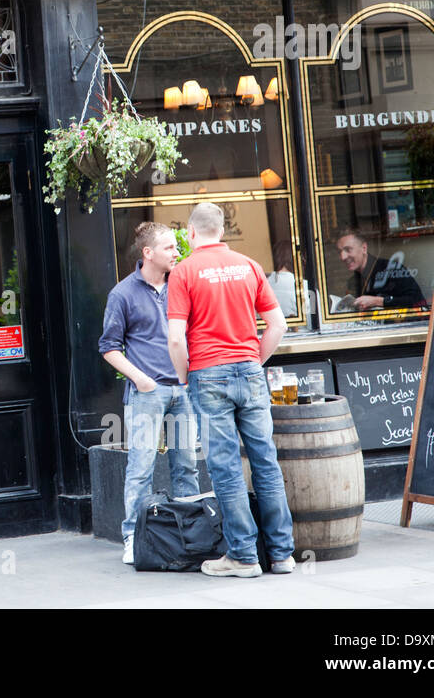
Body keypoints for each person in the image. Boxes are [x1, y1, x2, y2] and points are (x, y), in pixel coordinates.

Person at [167, 201, 295, 578]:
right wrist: (254, 360)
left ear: (190, 233)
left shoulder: (184, 271)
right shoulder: (250, 265)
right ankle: (282, 555)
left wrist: (186, 377)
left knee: (225, 468)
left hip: (208, 373)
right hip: (250, 373)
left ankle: (243, 556)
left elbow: (176, 340)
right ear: (223, 231)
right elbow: (278, 325)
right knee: (265, 463)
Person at [99, 222, 199, 566]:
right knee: (140, 468)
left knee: (186, 466)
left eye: (177, 246)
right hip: (147, 394)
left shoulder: (181, 286)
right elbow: (109, 348)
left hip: (183, 390)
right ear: (148, 253)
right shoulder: (122, 294)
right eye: (170, 247)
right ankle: (133, 536)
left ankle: (191, 533)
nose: (177, 252)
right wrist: (141, 380)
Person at [335, 228, 427, 311]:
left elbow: (417, 300)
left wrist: (378, 301)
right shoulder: (352, 282)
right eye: (340, 252)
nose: (343, 257)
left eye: (348, 249)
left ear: (364, 248)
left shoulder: (392, 269)